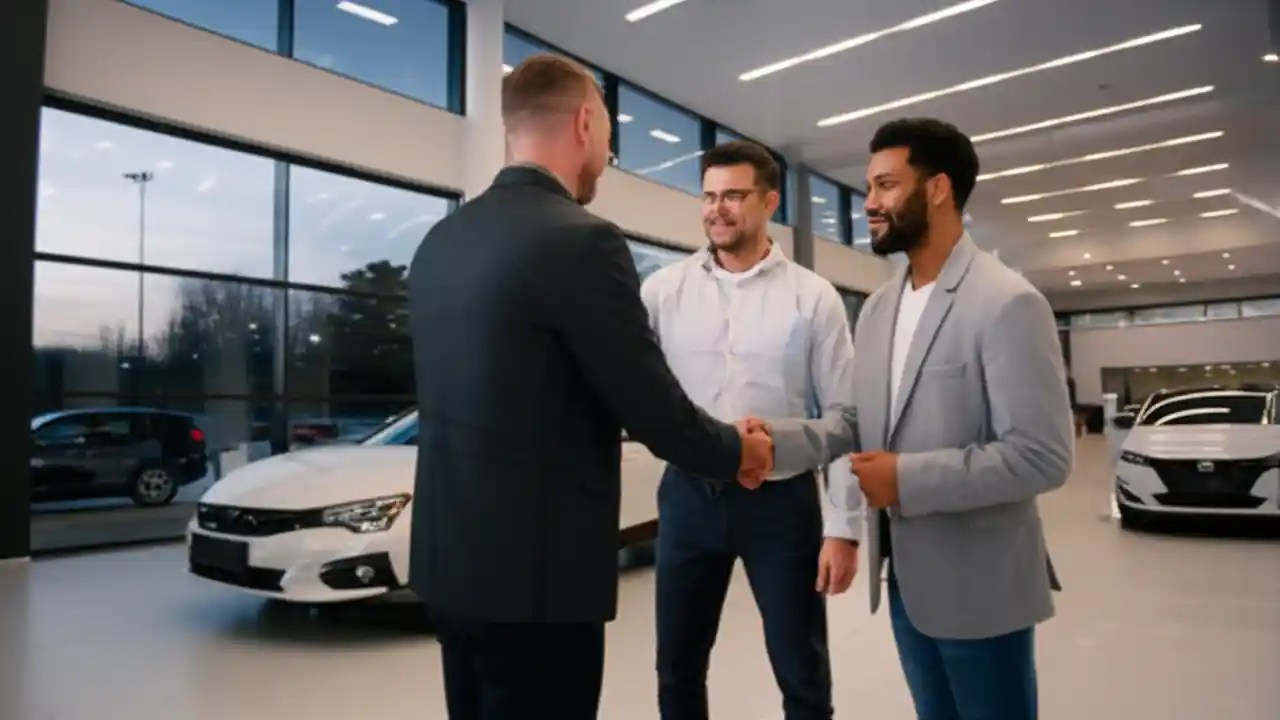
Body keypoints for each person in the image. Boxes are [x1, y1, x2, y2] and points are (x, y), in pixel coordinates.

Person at [405, 54, 774, 720]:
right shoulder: (581, 241)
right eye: (607, 130)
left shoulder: (441, 240)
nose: (607, 150)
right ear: (582, 122)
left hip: (451, 568)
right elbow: (649, 403)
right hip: (538, 581)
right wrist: (736, 450)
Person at [757, 118, 1073, 719]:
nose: (869, 203)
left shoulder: (1008, 302)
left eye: (886, 185)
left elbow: (1041, 456)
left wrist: (903, 479)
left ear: (938, 189)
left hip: (982, 589)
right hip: (906, 582)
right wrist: (776, 444)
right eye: (868, 188)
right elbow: (858, 419)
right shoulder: (880, 307)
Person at [641, 141, 861, 720]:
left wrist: (844, 527)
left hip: (782, 507)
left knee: (801, 668)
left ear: (769, 201)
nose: (717, 208)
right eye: (709, 196)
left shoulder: (813, 297)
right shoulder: (662, 292)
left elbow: (845, 417)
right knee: (677, 667)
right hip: (688, 498)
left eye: (734, 195)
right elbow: (640, 394)